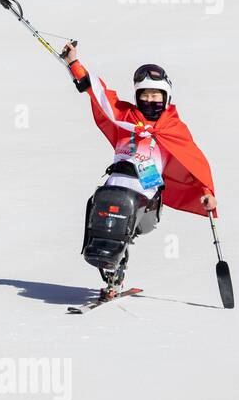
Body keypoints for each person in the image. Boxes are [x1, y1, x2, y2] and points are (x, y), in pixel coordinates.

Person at [62, 44, 217, 296]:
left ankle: (116, 260)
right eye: (144, 95)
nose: (149, 100)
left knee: (123, 207)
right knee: (101, 202)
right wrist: (74, 64)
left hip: (146, 189)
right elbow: (100, 96)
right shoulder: (126, 116)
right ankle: (110, 267)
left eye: (156, 96)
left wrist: (207, 191)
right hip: (117, 178)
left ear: (166, 97)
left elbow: (194, 161)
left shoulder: (174, 129)